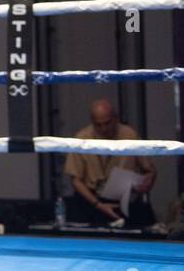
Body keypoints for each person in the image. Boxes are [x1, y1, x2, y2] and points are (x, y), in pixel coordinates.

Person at [63, 98, 157, 229]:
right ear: (92, 122)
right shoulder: (81, 139)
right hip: (91, 200)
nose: (104, 129)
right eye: (98, 125)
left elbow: (150, 170)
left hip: (124, 199)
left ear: (116, 119)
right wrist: (97, 204)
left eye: (107, 123)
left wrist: (147, 182)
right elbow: (75, 180)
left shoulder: (129, 135)